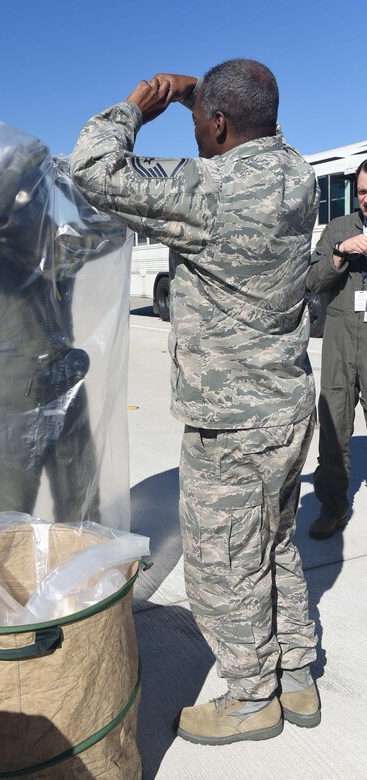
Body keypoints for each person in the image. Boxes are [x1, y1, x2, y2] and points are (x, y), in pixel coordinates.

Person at [71, 59, 320, 745]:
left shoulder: (209, 191)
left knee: (221, 565)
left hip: (229, 422)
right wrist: (197, 106)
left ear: (217, 125)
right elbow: (246, 136)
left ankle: (251, 696)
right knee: (274, 545)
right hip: (285, 406)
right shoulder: (295, 173)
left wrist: (137, 109)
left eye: (205, 125)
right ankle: (296, 675)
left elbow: (91, 169)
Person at [0, 128, 127, 523]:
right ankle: (13, 585)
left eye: (41, 199)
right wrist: (22, 164)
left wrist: (71, 179)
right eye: (28, 199)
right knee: (10, 515)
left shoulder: (55, 247)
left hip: (66, 385)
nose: (38, 208)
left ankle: (83, 577)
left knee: (83, 506)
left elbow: (113, 230)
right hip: (15, 396)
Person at [306, 160, 367, 538]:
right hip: (342, 337)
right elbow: (313, 279)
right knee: (333, 426)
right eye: (362, 192)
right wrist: (341, 252)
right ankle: (332, 507)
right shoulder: (338, 228)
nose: (366, 200)